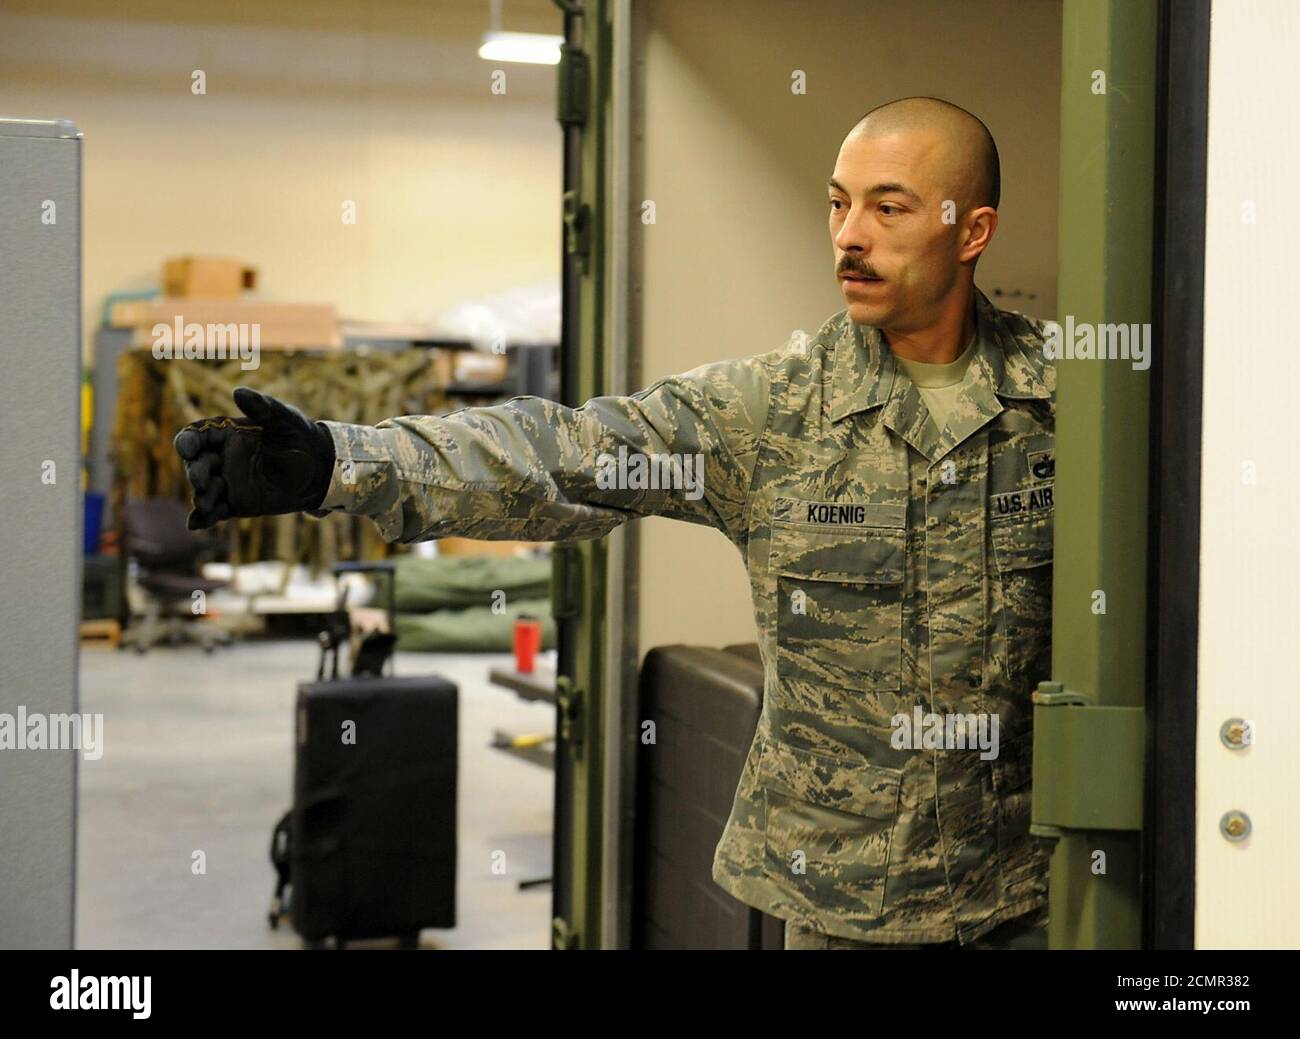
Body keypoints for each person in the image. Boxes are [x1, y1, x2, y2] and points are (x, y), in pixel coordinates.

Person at [175, 96, 1053, 949]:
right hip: (845, 905)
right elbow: (562, 452)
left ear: (972, 230)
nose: (849, 234)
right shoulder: (773, 413)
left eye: (886, 208)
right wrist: (340, 461)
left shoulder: (1069, 407)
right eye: (837, 203)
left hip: (1033, 894)